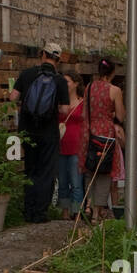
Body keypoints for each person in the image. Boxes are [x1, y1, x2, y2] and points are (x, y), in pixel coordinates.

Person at [10, 41, 71, 223]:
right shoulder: (59, 80)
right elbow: (65, 110)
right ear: (57, 60)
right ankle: (40, 213)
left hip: (28, 130)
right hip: (48, 132)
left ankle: (28, 211)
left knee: (30, 169)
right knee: (46, 172)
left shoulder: (27, 74)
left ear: (42, 54)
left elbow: (13, 97)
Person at [84, 57, 126, 222]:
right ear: (112, 72)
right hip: (106, 134)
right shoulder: (114, 90)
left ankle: (88, 205)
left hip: (90, 132)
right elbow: (121, 116)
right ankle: (96, 213)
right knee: (104, 173)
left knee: (90, 170)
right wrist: (112, 114)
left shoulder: (89, 87)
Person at [57, 74, 86, 220]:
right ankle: (65, 211)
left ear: (75, 84)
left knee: (76, 182)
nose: (63, 84)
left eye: (66, 81)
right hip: (61, 145)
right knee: (62, 181)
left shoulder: (83, 103)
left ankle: (77, 212)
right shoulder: (58, 102)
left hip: (77, 147)